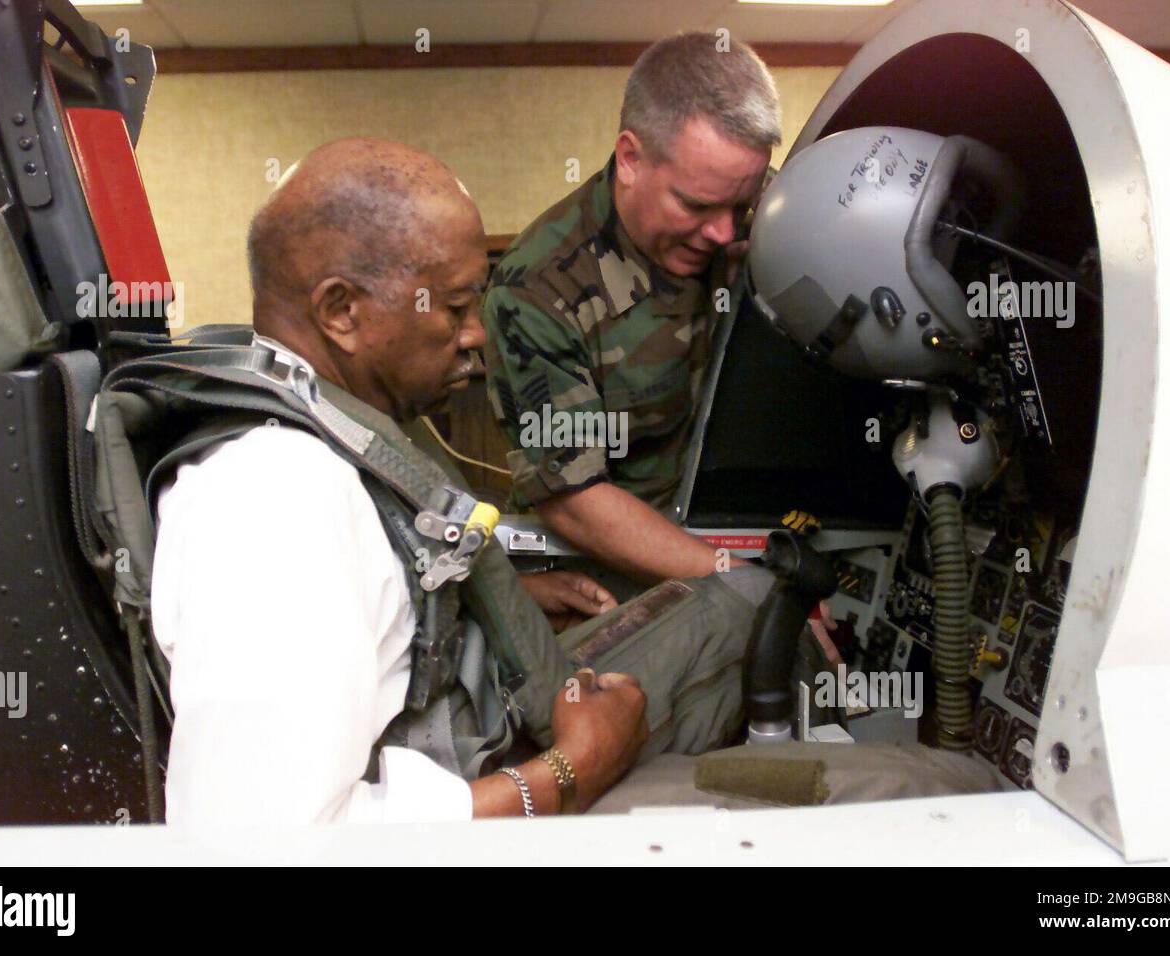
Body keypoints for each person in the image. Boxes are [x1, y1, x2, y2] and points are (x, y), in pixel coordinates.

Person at [150, 136, 776, 826]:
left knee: (745, 601)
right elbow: (258, 842)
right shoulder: (275, 501)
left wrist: (483, 603)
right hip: (497, 782)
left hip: (482, 717)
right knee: (789, 655)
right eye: (454, 308)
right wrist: (571, 771)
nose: (476, 334)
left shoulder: (329, 424)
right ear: (341, 312)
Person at [483, 32, 781, 584]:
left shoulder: (758, 209)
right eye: (695, 205)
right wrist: (745, 585)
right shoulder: (538, 291)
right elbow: (577, 502)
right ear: (631, 158)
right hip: (616, 573)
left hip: (749, 526)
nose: (722, 232)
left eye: (741, 203)